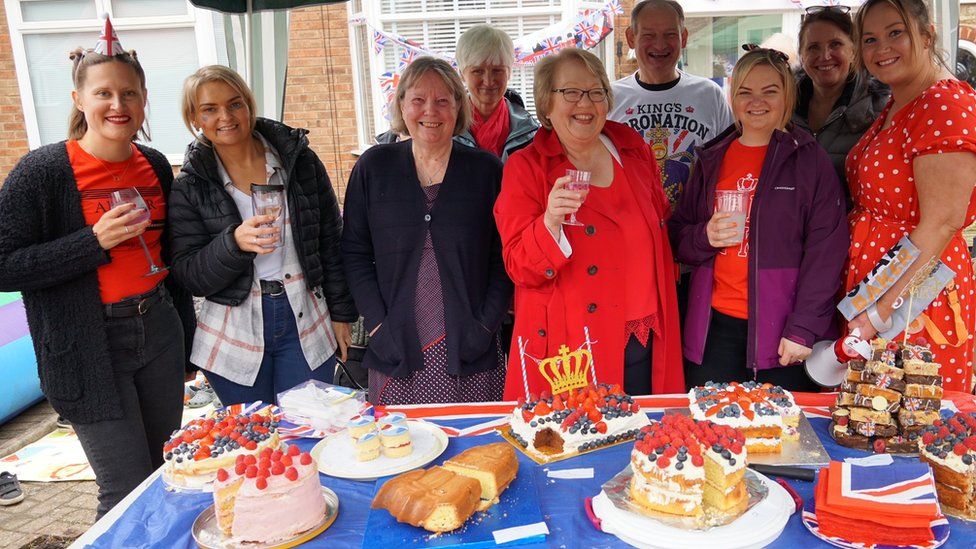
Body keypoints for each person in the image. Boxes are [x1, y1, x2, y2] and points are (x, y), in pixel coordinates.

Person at [0, 19, 195, 518]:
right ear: (78, 99)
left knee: (165, 472)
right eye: (103, 93)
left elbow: (169, 259)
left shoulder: (154, 164)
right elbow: (5, 266)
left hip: (159, 329)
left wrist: (187, 337)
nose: (117, 105)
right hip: (88, 344)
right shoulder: (42, 172)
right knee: (123, 490)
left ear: (144, 100)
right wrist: (92, 242)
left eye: (128, 93)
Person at [495, 48, 683, 399]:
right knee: (587, 431)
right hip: (573, 349)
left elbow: (661, 227)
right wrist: (550, 222)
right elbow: (518, 265)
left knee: (645, 429)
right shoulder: (527, 167)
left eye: (596, 92)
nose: (585, 103)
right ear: (546, 104)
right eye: (570, 92)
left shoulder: (634, 151)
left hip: (645, 334)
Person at [169, 65, 357, 405]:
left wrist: (342, 315)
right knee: (254, 432)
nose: (226, 116)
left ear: (249, 105)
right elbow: (189, 274)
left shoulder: (298, 161)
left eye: (235, 104)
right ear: (195, 118)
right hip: (233, 331)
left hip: (305, 317)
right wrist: (234, 244)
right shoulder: (191, 183)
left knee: (305, 425)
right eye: (210, 109)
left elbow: (331, 240)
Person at [669, 45, 849, 391]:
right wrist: (705, 236)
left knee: (782, 424)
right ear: (732, 97)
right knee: (710, 421)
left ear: (788, 96)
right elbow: (678, 238)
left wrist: (803, 327)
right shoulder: (712, 158)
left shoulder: (809, 161)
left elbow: (826, 251)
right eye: (745, 92)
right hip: (713, 331)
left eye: (770, 91)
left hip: (782, 333)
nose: (757, 102)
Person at [341, 57, 513, 405]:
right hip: (395, 345)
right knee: (399, 439)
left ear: (458, 106)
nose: (430, 111)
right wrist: (377, 325)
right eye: (418, 99)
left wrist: (485, 326)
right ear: (402, 104)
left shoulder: (486, 171)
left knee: (475, 439)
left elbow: (504, 257)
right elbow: (355, 254)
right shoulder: (373, 167)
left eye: (443, 100)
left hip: (470, 347)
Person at [844, 0, 976, 391]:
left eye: (895, 33)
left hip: (915, 297)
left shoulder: (944, 105)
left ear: (927, 35)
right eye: (870, 39)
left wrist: (881, 311)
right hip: (880, 290)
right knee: (865, 412)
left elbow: (942, 223)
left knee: (907, 413)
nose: (882, 48)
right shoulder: (900, 102)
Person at [608, 0, 734, 212]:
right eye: (649, 35)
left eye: (670, 34)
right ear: (630, 37)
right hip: (633, 224)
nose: (660, 45)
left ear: (684, 37)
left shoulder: (710, 95)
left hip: (696, 226)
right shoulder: (609, 98)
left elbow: (731, 164)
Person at [792, 4, 889, 190]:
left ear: (853, 50)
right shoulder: (782, 108)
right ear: (802, 56)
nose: (825, 56)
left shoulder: (882, 110)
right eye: (813, 47)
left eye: (835, 44)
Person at [453, 25, 539, 162]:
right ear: (461, 74)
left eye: (497, 70)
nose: (488, 81)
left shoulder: (532, 133)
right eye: (478, 71)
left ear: (509, 72)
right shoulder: (446, 129)